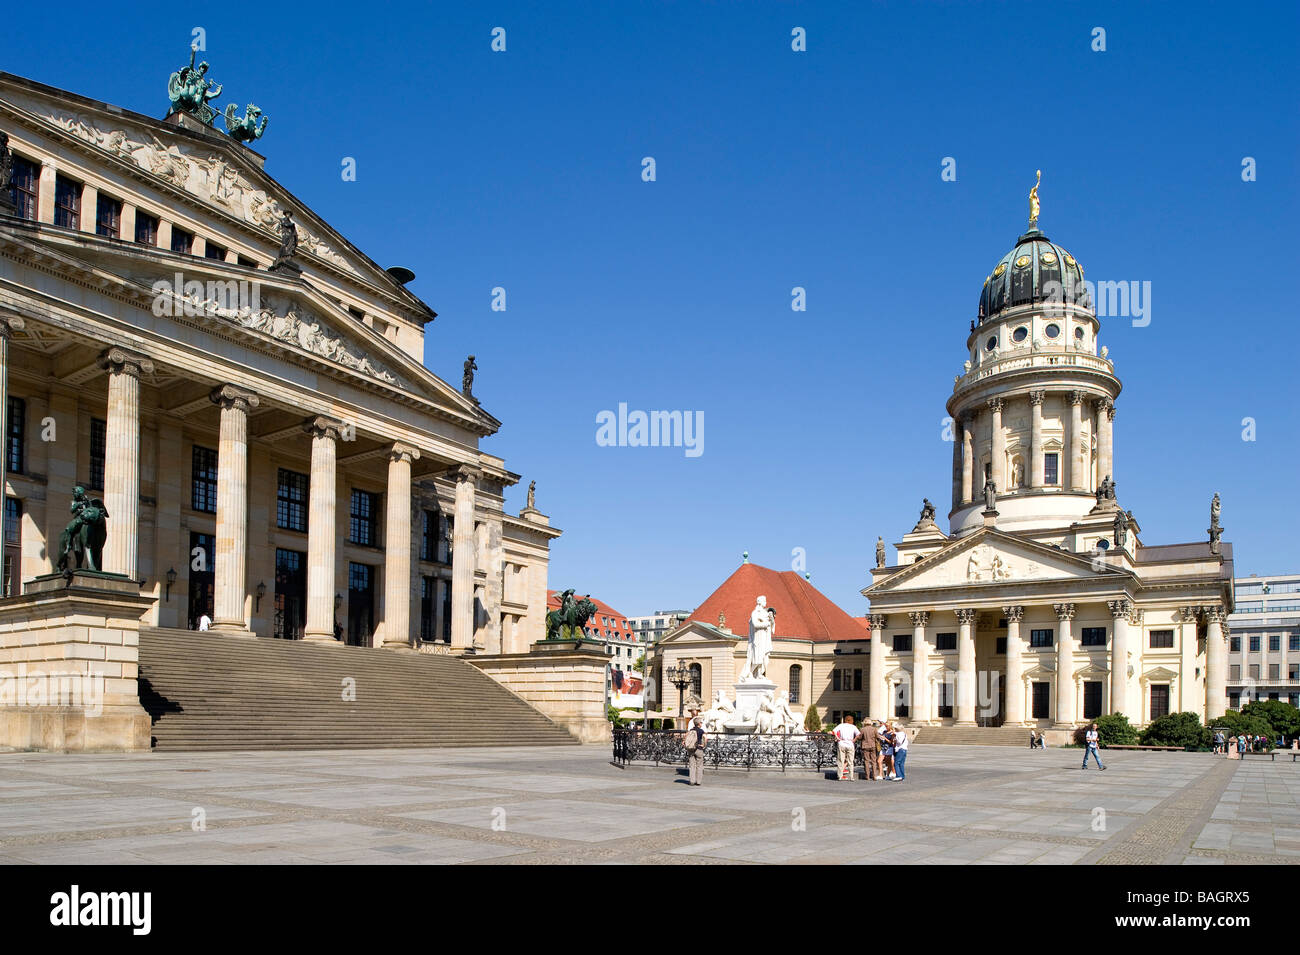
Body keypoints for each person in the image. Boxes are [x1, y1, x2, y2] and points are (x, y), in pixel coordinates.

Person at [832, 714, 860, 781]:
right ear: (852, 720)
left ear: (845, 720)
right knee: (850, 761)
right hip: (850, 744)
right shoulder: (853, 726)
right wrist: (854, 740)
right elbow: (858, 734)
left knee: (840, 760)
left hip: (842, 743)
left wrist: (838, 738)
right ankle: (851, 776)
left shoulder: (841, 725)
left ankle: (840, 776)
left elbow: (834, 731)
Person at [684, 715, 707, 786]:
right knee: (699, 765)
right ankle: (698, 781)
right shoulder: (701, 731)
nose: (702, 724)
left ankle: (692, 781)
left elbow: (685, 738)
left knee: (692, 765)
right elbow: (705, 739)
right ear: (699, 723)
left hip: (691, 749)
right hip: (698, 749)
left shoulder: (691, 730)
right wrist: (703, 745)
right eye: (701, 723)